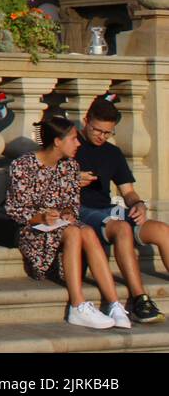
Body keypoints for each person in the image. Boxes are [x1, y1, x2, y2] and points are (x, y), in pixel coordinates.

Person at [7, 113, 129, 330]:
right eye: (73, 138)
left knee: (87, 231)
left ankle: (114, 303)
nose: (77, 143)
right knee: (74, 232)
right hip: (33, 230)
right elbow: (16, 210)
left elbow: (72, 203)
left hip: (61, 227)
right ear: (57, 141)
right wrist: (43, 217)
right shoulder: (23, 165)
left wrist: (66, 213)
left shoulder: (70, 166)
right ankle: (77, 305)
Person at [76, 96, 168, 323]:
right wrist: (71, 179)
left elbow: (128, 192)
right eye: (97, 130)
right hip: (81, 210)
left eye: (108, 133)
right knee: (122, 229)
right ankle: (140, 299)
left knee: (162, 230)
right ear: (86, 121)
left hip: (108, 210)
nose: (102, 136)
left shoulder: (112, 153)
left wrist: (138, 204)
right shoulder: (72, 145)